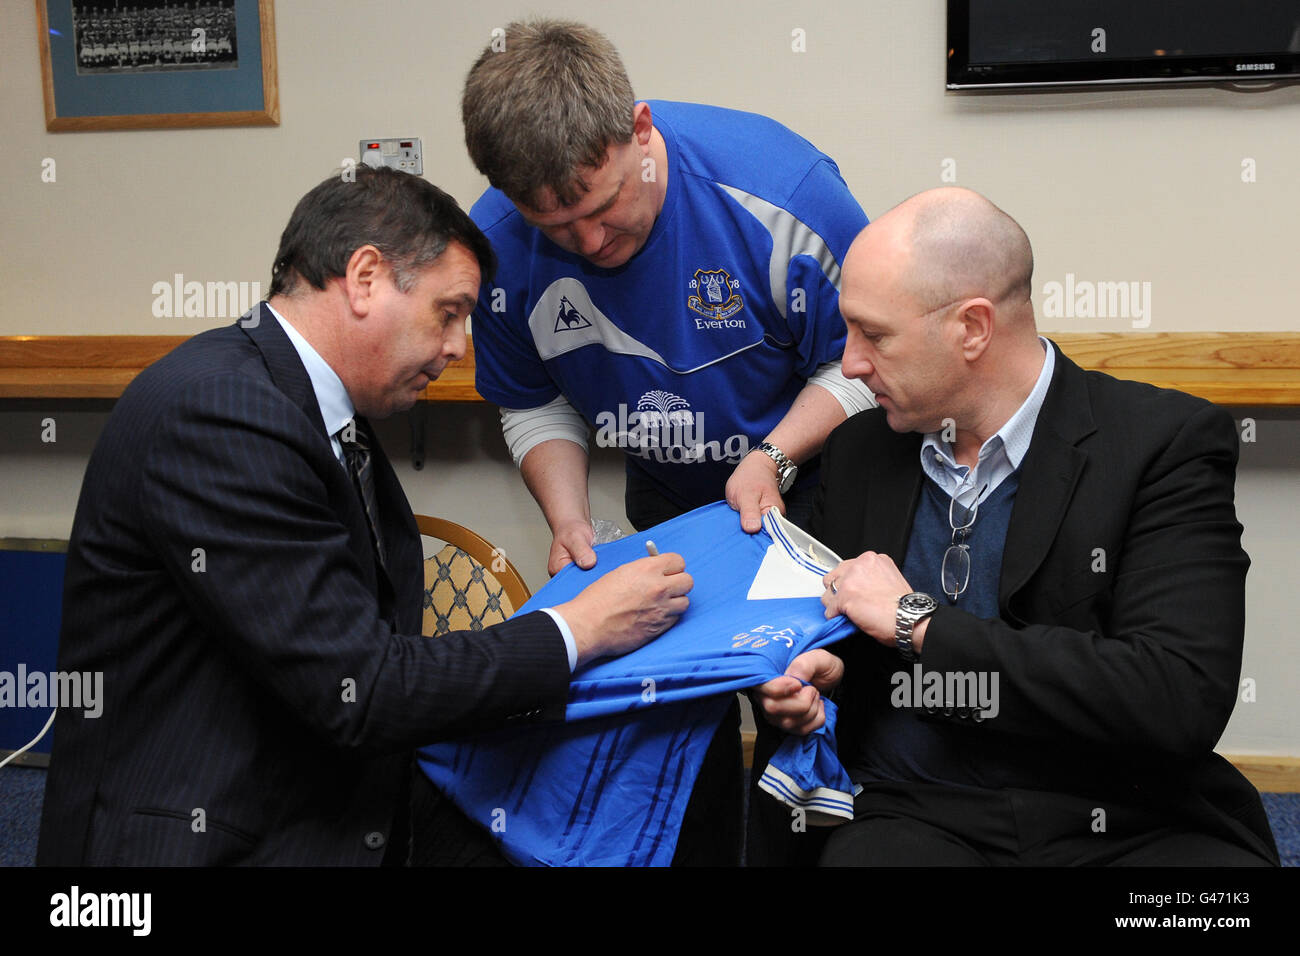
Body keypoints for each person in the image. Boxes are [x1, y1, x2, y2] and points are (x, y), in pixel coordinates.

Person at [36, 166, 693, 867]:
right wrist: (580, 628)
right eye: (449, 311)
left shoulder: (297, 399)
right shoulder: (221, 414)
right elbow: (364, 687)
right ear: (365, 277)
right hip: (198, 835)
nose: (458, 349)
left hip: (313, 785)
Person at [755, 186, 1279, 866]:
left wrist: (919, 622)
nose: (850, 364)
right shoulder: (858, 452)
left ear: (972, 328)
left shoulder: (1162, 443)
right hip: (915, 815)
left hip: (1126, 816)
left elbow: (1175, 698)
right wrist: (810, 681)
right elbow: (828, 648)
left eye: (874, 335)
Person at [460, 17, 873, 864]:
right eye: (557, 227)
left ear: (640, 130)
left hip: (817, 484)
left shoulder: (782, 188)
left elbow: (867, 365)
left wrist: (777, 454)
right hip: (668, 497)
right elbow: (532, 401)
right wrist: (569, 517)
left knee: (810, 707)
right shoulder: (496, 245)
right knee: (673, 729)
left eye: (604, 208)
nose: (590, 244)